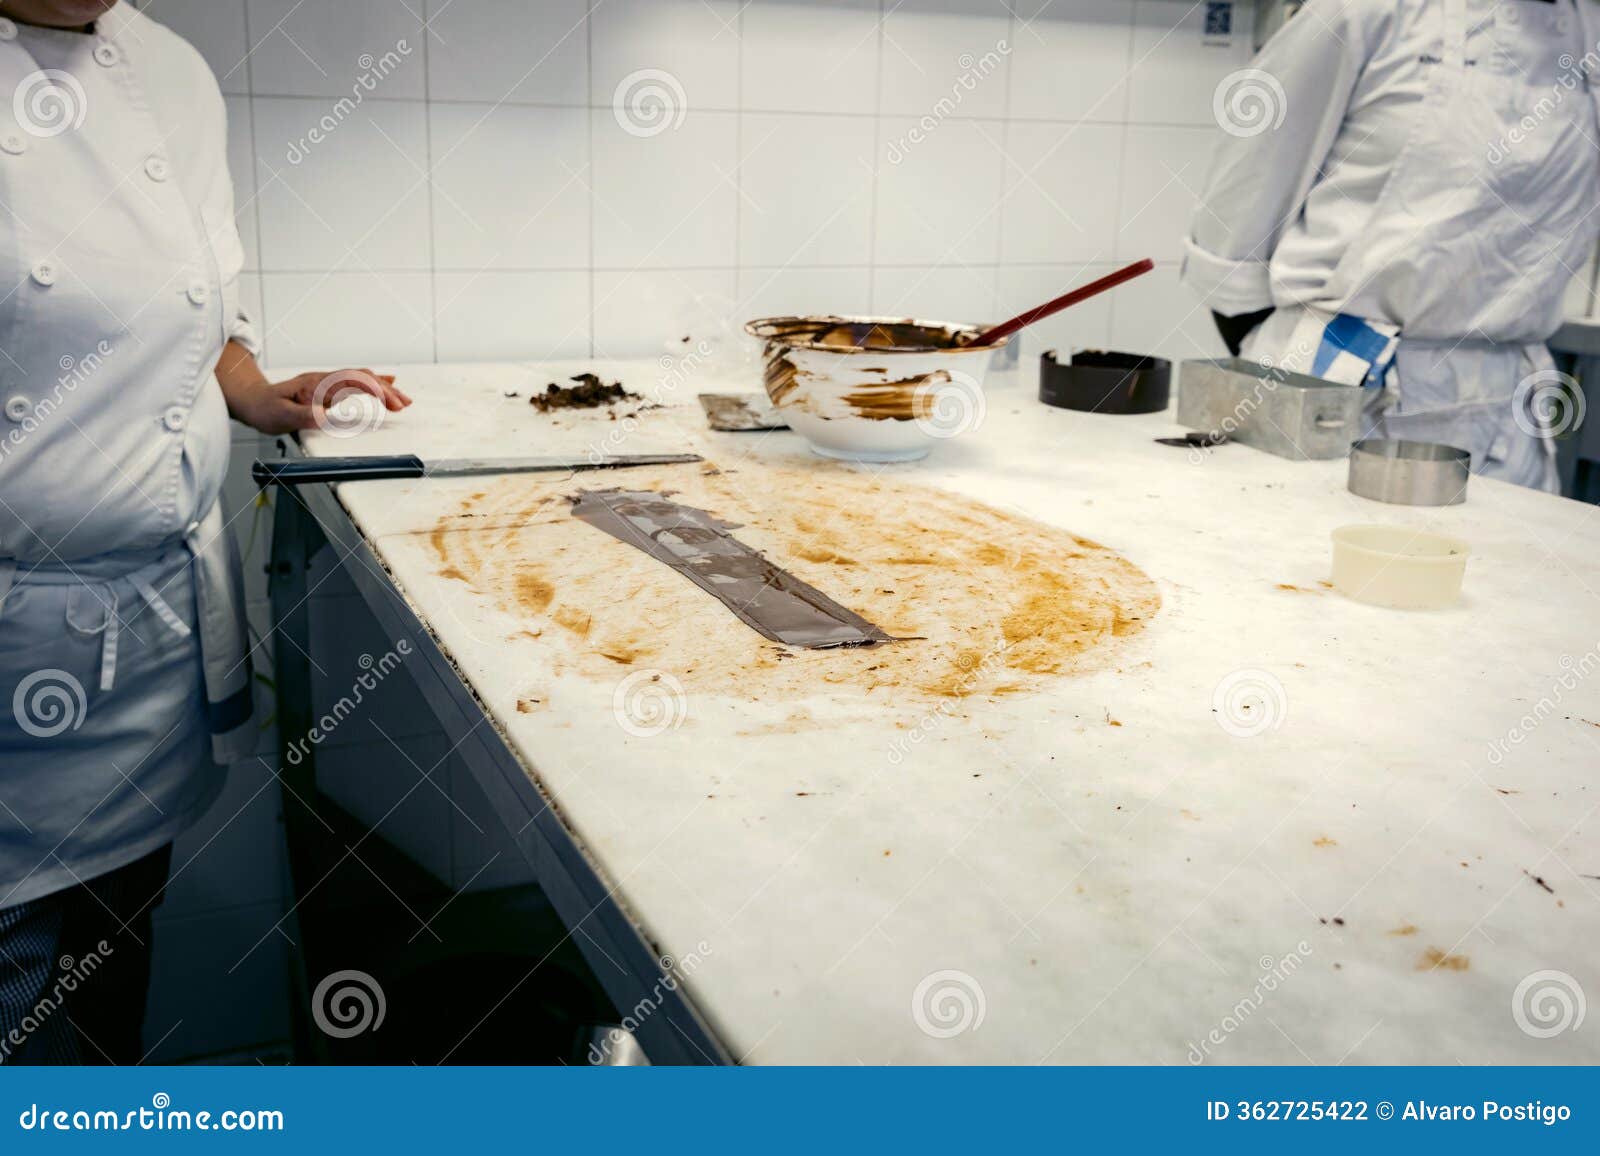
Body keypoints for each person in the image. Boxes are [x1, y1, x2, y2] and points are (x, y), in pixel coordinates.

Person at [0, 0, 410, 1062]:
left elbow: (201, 316)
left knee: (105, 976)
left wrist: (267, 394)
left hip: (142, 643)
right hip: (10, 653)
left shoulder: (166, 69)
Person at [1182, 0, 1598, 491]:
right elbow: (1232, 234)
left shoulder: (1588, 30)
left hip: (1507, 415)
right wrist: (1299, 374)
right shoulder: (1362, 13)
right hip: (1336, 401)